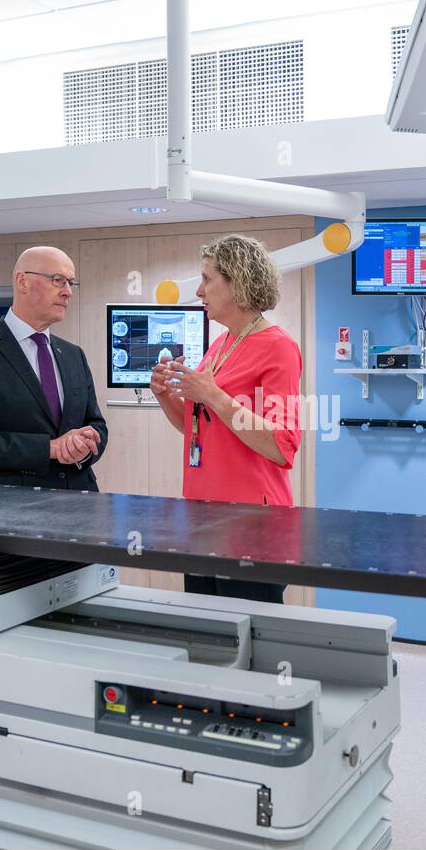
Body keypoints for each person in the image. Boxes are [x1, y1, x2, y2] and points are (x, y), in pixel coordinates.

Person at [150, 235, 302, 603]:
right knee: (208, 635)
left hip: (250, 522)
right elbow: (196, 429)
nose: (199, 291)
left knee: (249, 637)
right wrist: (165, 396)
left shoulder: (278, 347)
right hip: (202, 516)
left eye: (207, 279)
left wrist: (214, 396)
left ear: (237, 282)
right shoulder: (220, 345)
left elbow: (283, 446)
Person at [0, 246, 107, 490]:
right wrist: (50, 449)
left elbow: (96, 424)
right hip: (14, 507)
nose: (67, 293)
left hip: (80, 499)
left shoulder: (74, 355)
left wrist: (83, 447)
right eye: (58, 280)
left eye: (71, 283)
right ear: (23, 281)